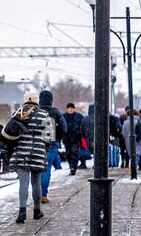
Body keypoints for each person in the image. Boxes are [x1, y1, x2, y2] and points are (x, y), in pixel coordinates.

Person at [3, 90, 56, 223]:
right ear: (37, 101)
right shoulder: (45, 115)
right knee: (36, 182)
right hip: (38, 154)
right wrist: (43, 147)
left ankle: (22, 211)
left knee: (23, 183)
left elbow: (10, 133)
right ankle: (37, 211)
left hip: (21, 154)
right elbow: (50, 138)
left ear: (24, 100)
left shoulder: (18, 113)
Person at [38, 89, 65, 203]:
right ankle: (43, 195)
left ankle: (36, 193)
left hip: (37, 145)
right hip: (51, 145)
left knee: (36, 171)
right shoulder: (56, 112)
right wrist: (57, 138)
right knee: (46, 169)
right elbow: (64, 129)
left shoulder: (36, 112)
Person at [63, 102, 85, 176]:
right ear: (66, 109)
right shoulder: (63, 117)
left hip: (76, 139)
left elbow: (82, 126)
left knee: (74, 153)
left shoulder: (79, 116)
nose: (70, 109)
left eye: (72, 108)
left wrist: (81, 134)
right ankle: (71, 166)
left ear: (74, 109)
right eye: (69, 108)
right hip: (66, 139)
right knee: (68, 153)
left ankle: (73, 168)